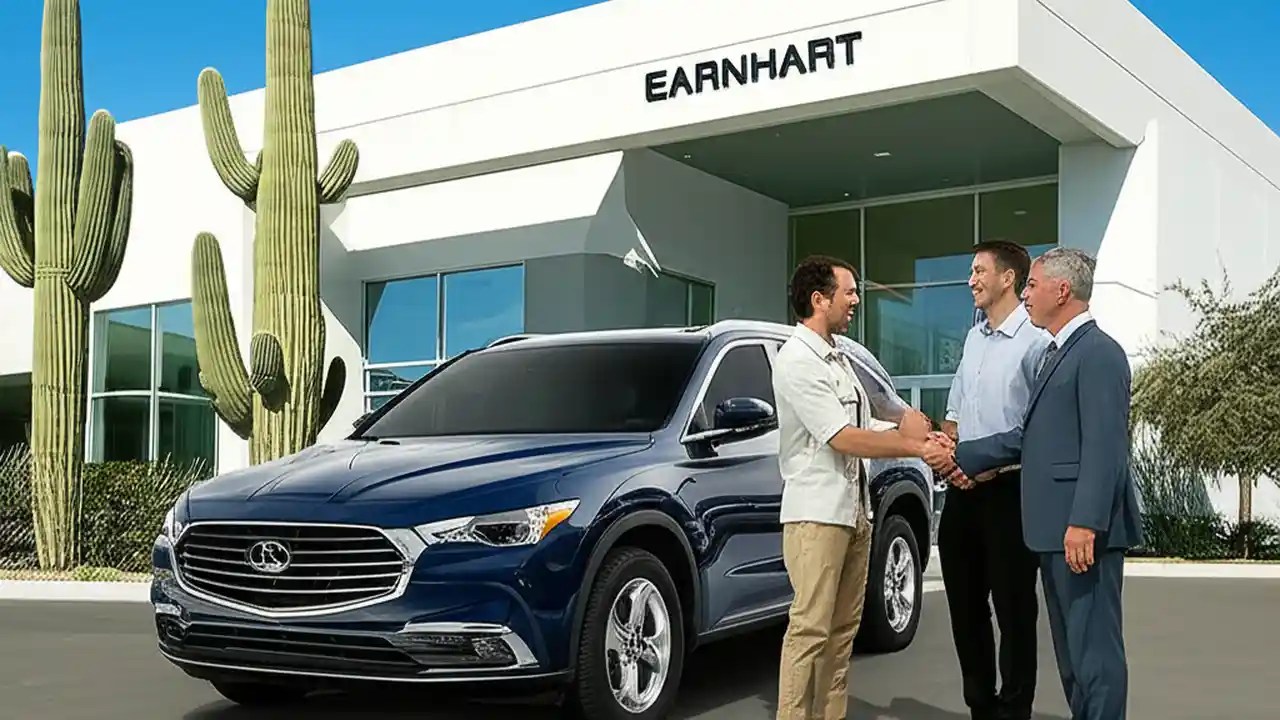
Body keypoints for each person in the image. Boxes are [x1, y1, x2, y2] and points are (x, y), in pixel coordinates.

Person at [950, 247, 1144, 720]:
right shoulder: (1059, 352)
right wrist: (960, 454)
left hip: (1081, 535)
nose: (1026, 295)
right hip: (1054, 533)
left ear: (1062, 291)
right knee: (1073, 661)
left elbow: (1105, 447)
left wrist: (1086, 522)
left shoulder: (1098, 353)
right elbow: (1029, 438)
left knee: (1095, 658)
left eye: (1033, 286)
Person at [772, 255, 953, 720]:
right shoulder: (797, 360)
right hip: (817, 517)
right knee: (810, 630)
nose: (856, 300)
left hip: (853, 513)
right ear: (819, 299)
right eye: (848, 292)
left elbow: (865, 419)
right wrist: (914, 447)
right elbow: (842, 437)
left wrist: (920, 432)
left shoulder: (839, 356)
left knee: (841, 632)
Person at [938, 240, 1052, 720]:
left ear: (1008, 278)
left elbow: (1038, 429)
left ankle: (1015, 710)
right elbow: (954, 413)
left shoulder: (1037, 343)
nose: (971, 280)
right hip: (962, 493)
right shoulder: (973, 339)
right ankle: (981, 708)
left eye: (978, 271)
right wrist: (952, 459)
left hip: (1010, 493)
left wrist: (979, 462)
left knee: (1014, 612)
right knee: (965, 612)